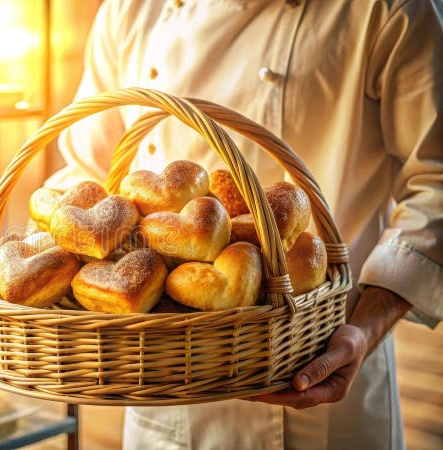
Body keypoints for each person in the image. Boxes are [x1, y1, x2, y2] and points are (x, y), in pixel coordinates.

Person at [47, 1, 443, 449]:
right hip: (166, 383)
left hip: (325, 366)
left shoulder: (386, 10)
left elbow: (436, 186)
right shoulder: (130, 10)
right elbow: (86, 179)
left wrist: (366, 330)